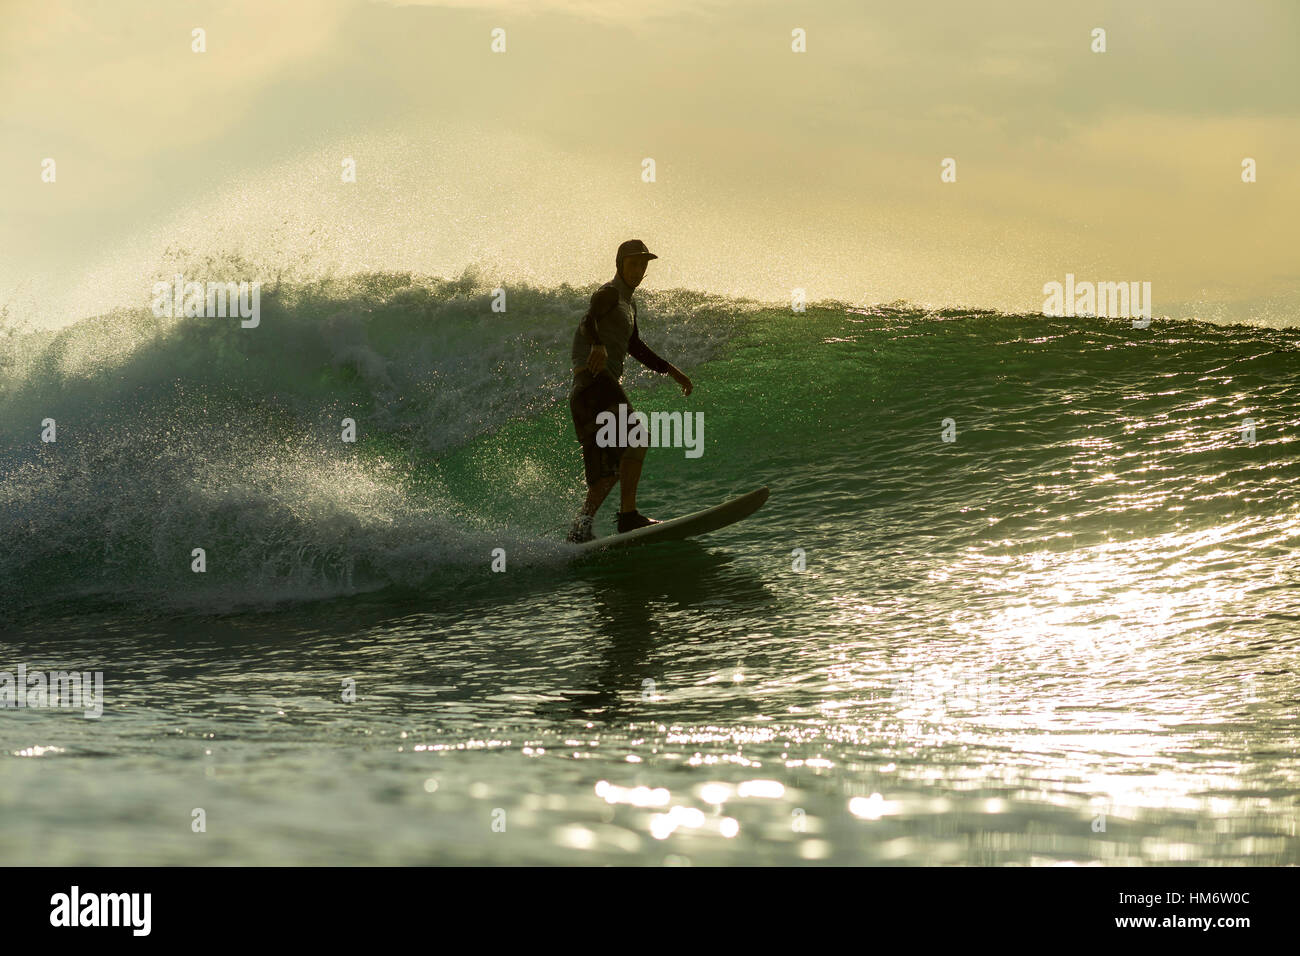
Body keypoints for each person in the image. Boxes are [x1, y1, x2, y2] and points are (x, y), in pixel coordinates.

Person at [566, 240, 693, 543]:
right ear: (620, 264)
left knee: (608, 473)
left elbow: (634, 346)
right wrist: (597, 344)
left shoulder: (629, 304)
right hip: (594, 383)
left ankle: (579, 529)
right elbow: (587, 321)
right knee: (637, 437)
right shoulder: (608, 294)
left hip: (591, 392)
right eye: (633, 263)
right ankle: (627, 517)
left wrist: (671, 371)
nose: (639, 269)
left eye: (643, 264)